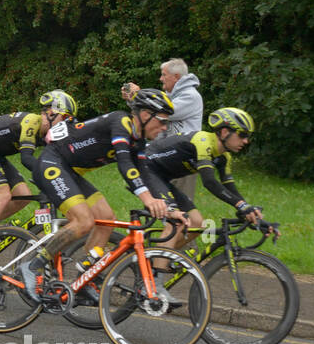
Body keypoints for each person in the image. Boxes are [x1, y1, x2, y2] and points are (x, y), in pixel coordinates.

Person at [24, 88, 185, 293]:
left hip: (69, 169)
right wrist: (147, 199)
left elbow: (146, 173)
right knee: (83, 221)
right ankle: (32, 266)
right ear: (145, 115)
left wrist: (169, 207)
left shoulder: (139, 140)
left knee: (106, 218)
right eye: (162, 120)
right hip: (51, 162)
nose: (164, 127)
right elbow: (125, 164)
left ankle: (86, 278)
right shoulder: (120, 122)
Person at [0, 90, 78, 267]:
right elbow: (26, 159)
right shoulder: (32, 121)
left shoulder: (48, 134)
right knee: (3, 195)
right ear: (50, 113)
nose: (64, 125)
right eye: (63, 119)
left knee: (23, 195)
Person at [143, 107, 264, 251]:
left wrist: (248, 209)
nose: (246, 141)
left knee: (197, 223)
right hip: (145, 168)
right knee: (176, 221)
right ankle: (156, 269)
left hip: (162, 177)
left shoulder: (224, 157)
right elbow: (209, 182)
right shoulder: (203, 141)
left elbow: (229, 187)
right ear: (225, 132)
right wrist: (241, 206)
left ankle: (156, 259)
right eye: (242, 135)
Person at [124, 58, 202, 203]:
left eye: (164, 75)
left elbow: (162, 111)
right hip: (169, 154)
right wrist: (132, 99)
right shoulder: (174, 95)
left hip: (184, 156)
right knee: (162, 199)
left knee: (182, 203)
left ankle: (185, 223)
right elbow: (149, 112)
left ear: (176, 77)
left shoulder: (190, 96)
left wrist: (138, 95)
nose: (161, 79)